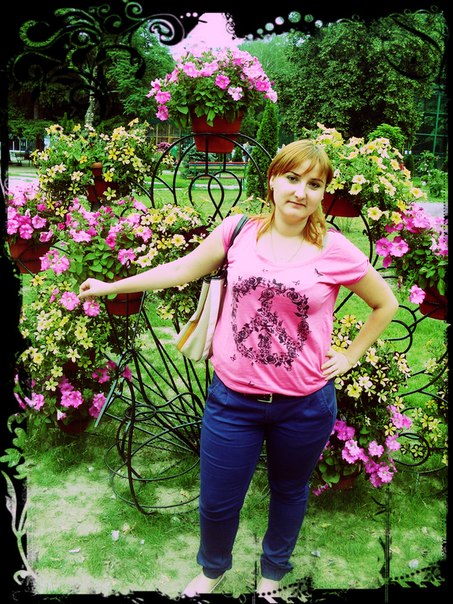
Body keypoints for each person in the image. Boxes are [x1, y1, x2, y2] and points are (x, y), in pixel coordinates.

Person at [79, 140, 399, 599]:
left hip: (304, 405)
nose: (301, 192)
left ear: (323, 193)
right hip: (233, 402)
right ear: (272, 180)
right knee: (217, 501)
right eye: (292, 178)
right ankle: (213, 569)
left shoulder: (336, 250)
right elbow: (182, 269)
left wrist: (350, 355)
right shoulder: (239, 232)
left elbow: (385, 304)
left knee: (289, 492)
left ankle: (272, 573)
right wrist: (112, 285)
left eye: (314, 184)